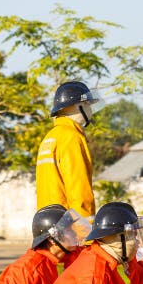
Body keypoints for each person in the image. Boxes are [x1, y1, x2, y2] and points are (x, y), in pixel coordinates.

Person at [36, 81, 102, 219]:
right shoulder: (71, 137)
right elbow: (78, 188)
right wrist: (87, 227)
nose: (90, 109)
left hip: (49, 223)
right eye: (88, 104)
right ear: (79, 106)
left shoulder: (51, 137)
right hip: (69, 227)